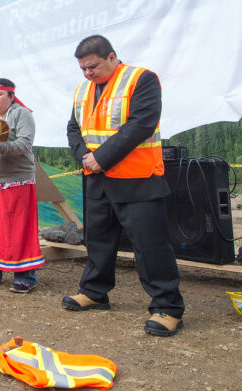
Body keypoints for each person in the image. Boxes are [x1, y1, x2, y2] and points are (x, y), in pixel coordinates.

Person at [62, 36, 184, 336]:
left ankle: (167, 308)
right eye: (83, 69)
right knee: (97, 240)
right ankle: (94, 292)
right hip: (96, 179)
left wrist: (100, 158)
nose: (88, 73)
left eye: (93, 66)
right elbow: (73, 128)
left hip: (138, 179)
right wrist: (84, 157)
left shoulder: (141, 80)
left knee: (150, 246)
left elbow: (141, 124)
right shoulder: (82, 90)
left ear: (112, 57)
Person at [0, 79, 43, 292]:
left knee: (18, 229)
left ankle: (25, 277)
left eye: (0, 94)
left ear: (11, 97)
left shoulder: (21, 114)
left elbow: (24, 144)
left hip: (16, 180)